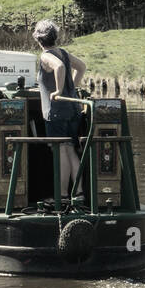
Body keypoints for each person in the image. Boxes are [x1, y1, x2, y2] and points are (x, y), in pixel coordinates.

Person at [33, 19, 87, 201]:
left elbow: (60, 67)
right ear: (54, 37)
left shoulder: (45, 56)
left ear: (38, 39)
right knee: (71, 149)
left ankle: (62, 195)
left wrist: (58, 90)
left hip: (56, 111)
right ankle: (78, 192)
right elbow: (81, 67)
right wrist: (71, 90)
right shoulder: (63, 52)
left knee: (61, 150)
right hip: (73, 109)